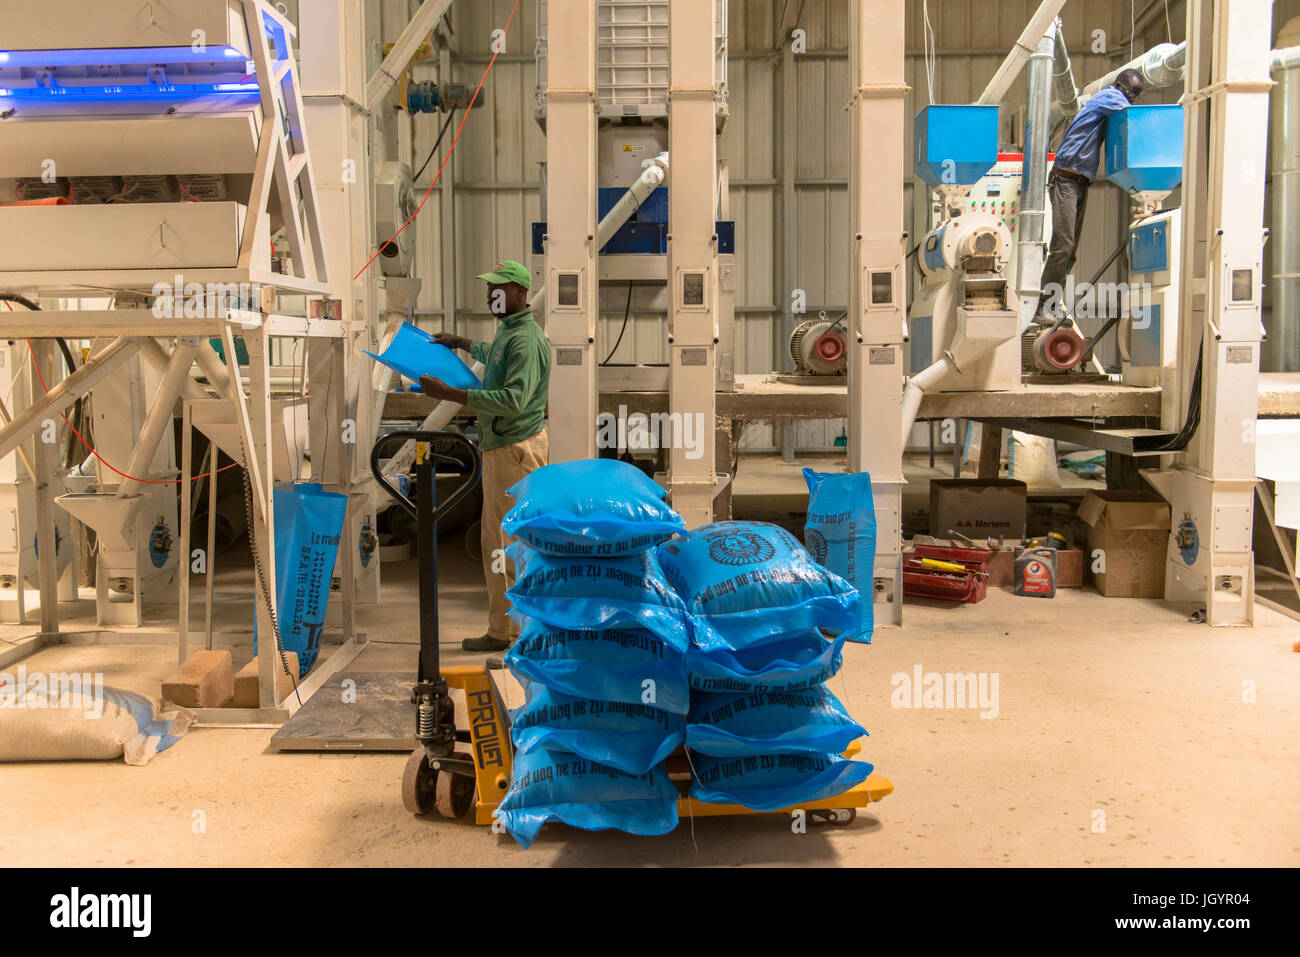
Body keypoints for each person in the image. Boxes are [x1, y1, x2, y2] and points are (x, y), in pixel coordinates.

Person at [420, 259, 551, 653]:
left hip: (515, 450)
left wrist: (451, 395)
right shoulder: (510, 333)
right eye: (488, 287)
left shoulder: (525, 340)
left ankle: (511, 635)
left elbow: (513, 400)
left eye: (498, 287)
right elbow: (494, 354)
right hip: (504, 449)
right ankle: (505, 628)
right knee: (496, 540)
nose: (490, 294)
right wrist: (460, 343)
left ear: (520, 293)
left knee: (508, 543)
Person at [1037, 68, 1145, 319]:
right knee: (1062, 245)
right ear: (1120, 86)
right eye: (1130, 94)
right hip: (1066, 177)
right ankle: (1042, 304)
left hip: (1079, 180)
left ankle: (1052, 302)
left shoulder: (1110, 100)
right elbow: (1132, 114)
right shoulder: (1111, 97)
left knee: (1070, 249)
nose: (1129, 98)